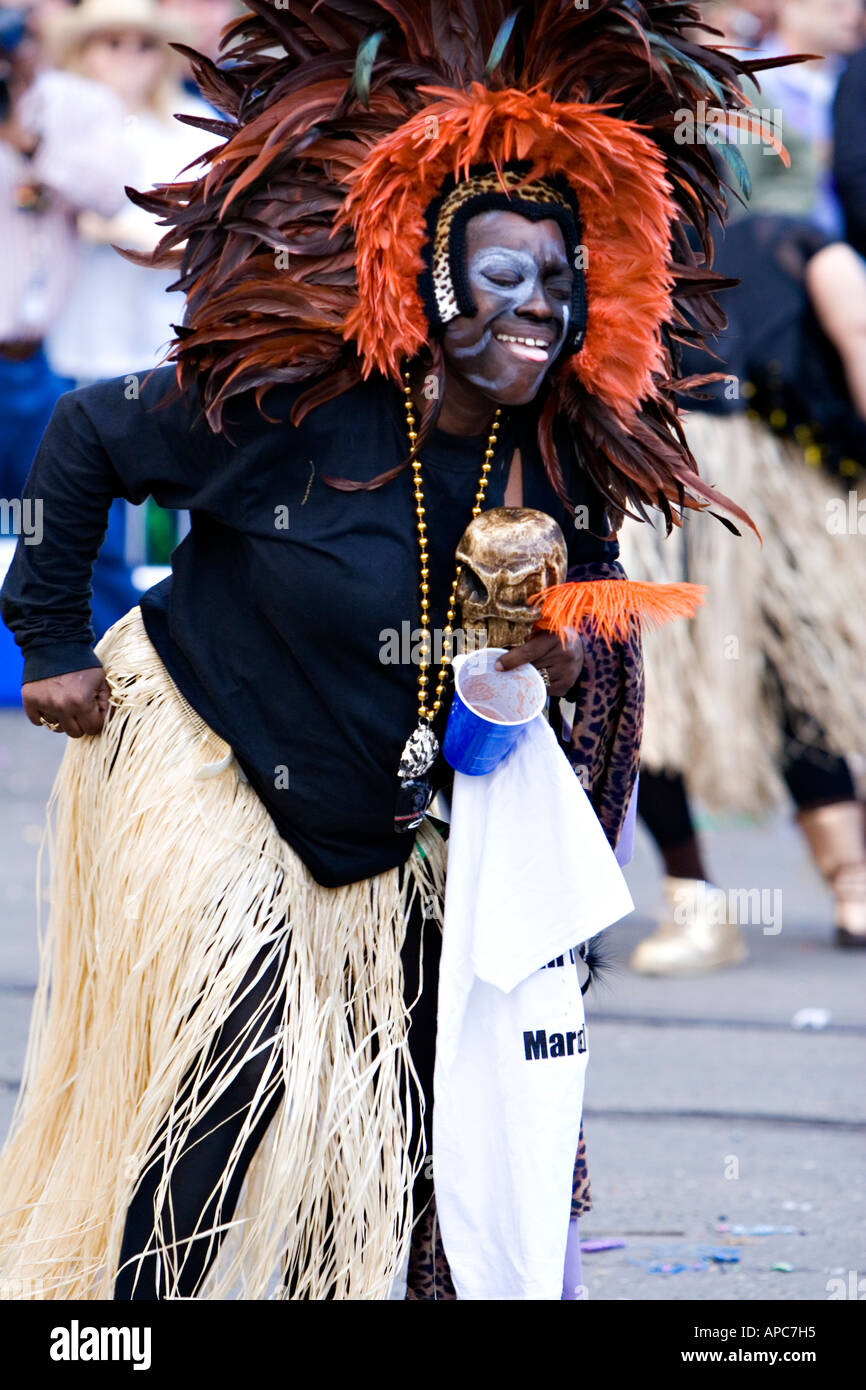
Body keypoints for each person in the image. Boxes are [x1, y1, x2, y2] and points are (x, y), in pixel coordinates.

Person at [0, 0, 771, 1300]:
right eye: (504, 275)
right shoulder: (292, 406)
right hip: (217, 760)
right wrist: (50, 638)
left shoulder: (561, 453)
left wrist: (546, 659)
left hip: (398, 805)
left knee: (372, 1121)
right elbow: (84, 433)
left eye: (559, 277)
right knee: (238, 1072)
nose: (539, 305)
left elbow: (576, 636)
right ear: (423, 277)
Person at [621, 213, 866, 973]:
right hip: (729, 483)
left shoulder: (603, 235)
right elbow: (856, 333)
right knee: (790, 672)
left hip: (652, 472)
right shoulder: (794, 240)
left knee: (658, 691)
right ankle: (851, 886)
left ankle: (699, 903)